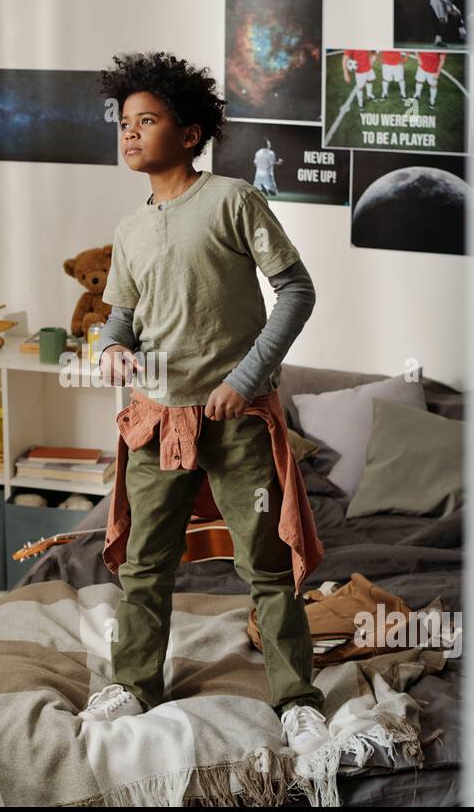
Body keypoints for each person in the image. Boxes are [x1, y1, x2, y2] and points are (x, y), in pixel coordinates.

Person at [82, 51, 330, 757]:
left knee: (266, 567)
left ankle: (295, 699)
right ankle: (133, 683)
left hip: (237, 422)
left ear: (190, 134)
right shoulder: (129, 231)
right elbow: (120, 320)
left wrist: (246, 379)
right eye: (124, 123)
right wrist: (108, 351)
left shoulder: (232, 201)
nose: (130, 134)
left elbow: (297, 291)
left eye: (147, 120)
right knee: (144, 564)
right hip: (157, 424)